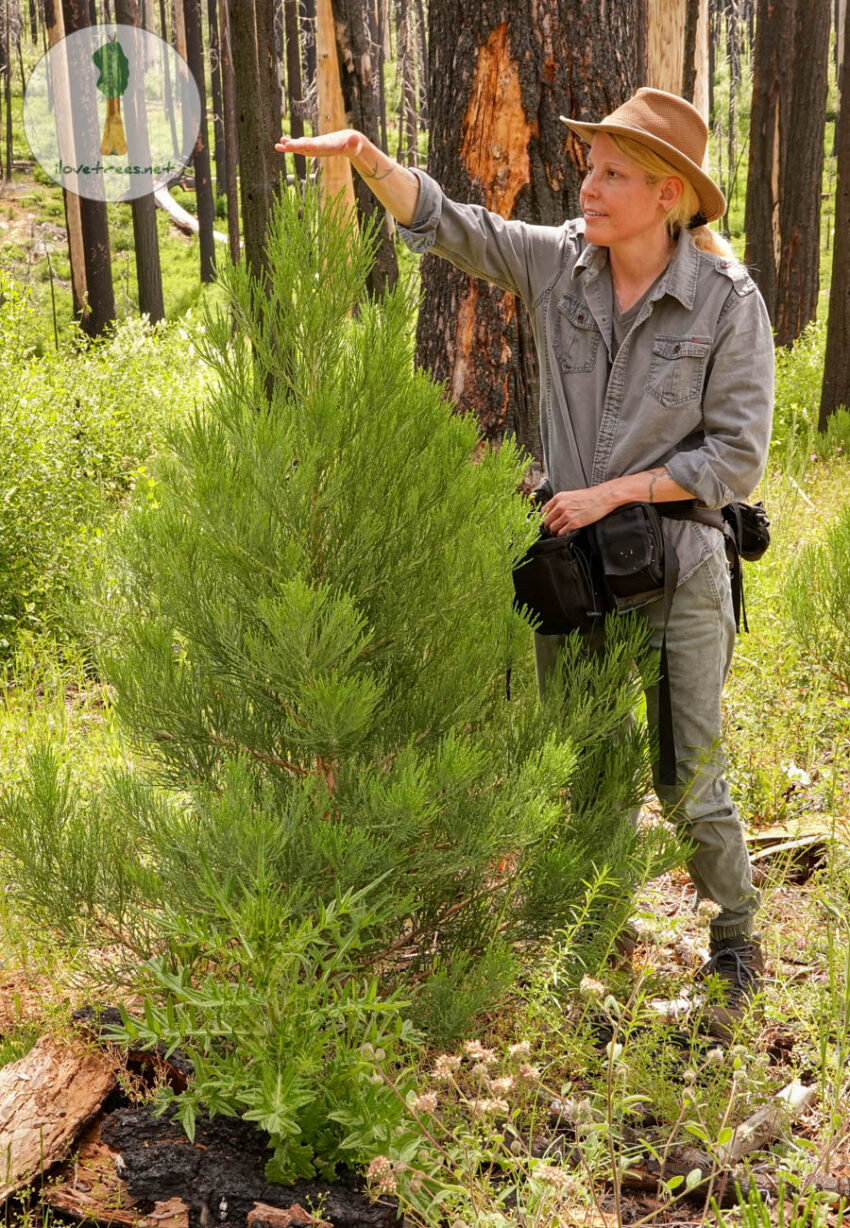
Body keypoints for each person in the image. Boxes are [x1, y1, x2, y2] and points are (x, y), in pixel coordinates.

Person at [276, 87, 775, 1037]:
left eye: (613, 174)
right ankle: (587, 952)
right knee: (583, 767)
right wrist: (370, 160)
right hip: (575, 577)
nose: (588, 187)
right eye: (589, 169)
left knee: (686, 777)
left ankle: (736, 940)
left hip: (681, 570)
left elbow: (735, 460)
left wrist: (612, 493)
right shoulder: (561, 264)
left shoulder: (727, 300)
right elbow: (454, 226)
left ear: (668, 194)